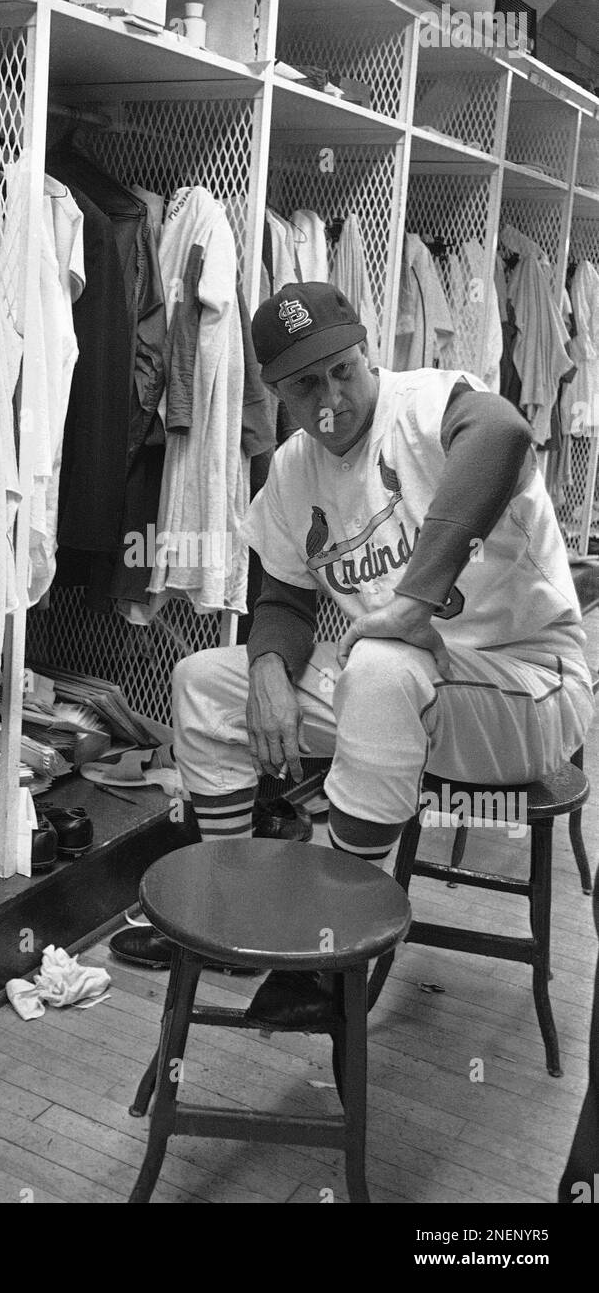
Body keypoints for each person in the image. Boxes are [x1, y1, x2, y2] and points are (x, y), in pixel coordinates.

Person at [111, 281, 595, 1027]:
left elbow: (502, 435)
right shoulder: (296, 469)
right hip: (409, 702)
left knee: (378, 667)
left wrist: (417, 598)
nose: (331, 393)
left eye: (344, 369)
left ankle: (336, 960)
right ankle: (235, 926)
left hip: (528, 687)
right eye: (306, 383)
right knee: (204, 681)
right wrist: (268, 666)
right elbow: (283, 594)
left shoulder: (427, 403)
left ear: (369, 353)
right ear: (277, 393)